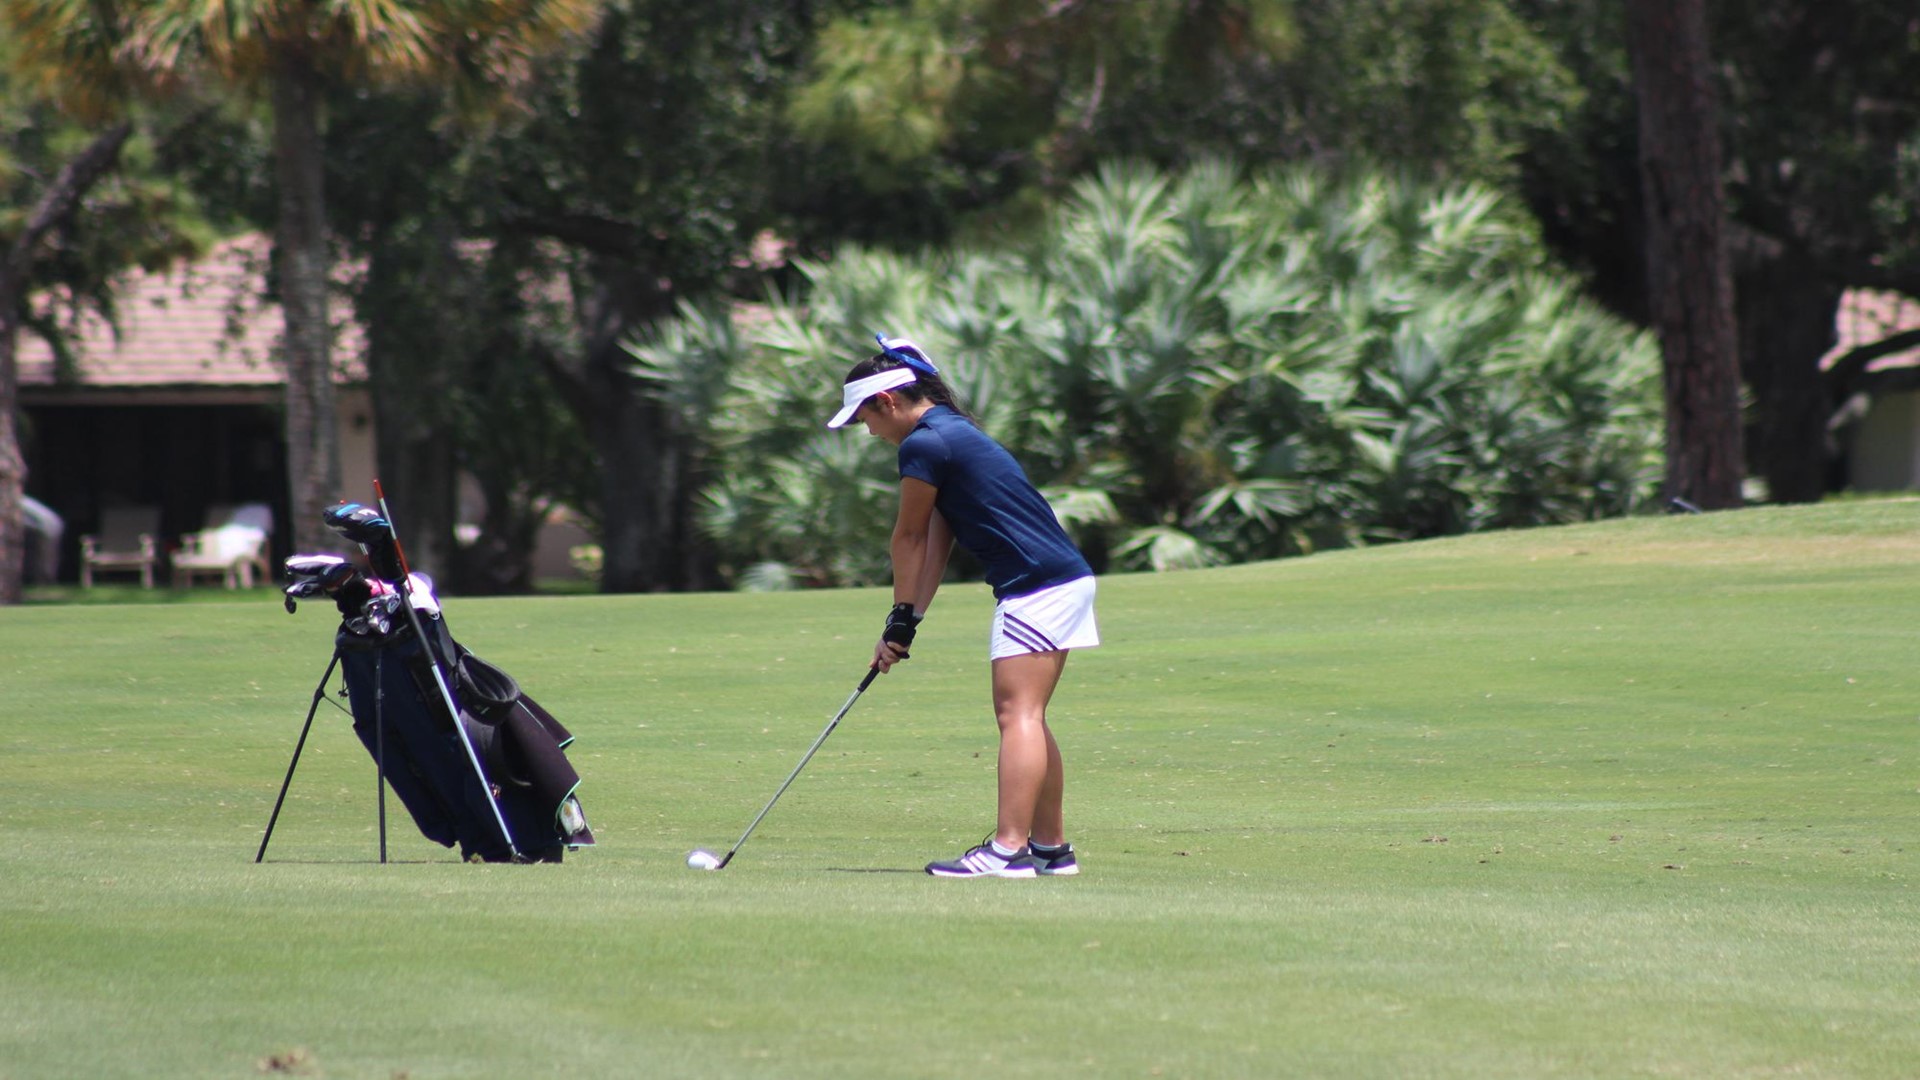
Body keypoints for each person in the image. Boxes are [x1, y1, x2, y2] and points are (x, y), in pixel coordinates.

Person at [827, 335, 1099, 878]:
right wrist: (907, 621)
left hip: (1036, 584)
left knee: (1016, 714)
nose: (871, 434)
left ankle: (1007, 850)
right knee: (1029, 716)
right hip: (1057, 580)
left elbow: (906, 538)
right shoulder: (952, 434)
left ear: (887, 402)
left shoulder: (924, 444)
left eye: (864, 420)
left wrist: (899, 617)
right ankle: (1050, 848)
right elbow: (937, 540)